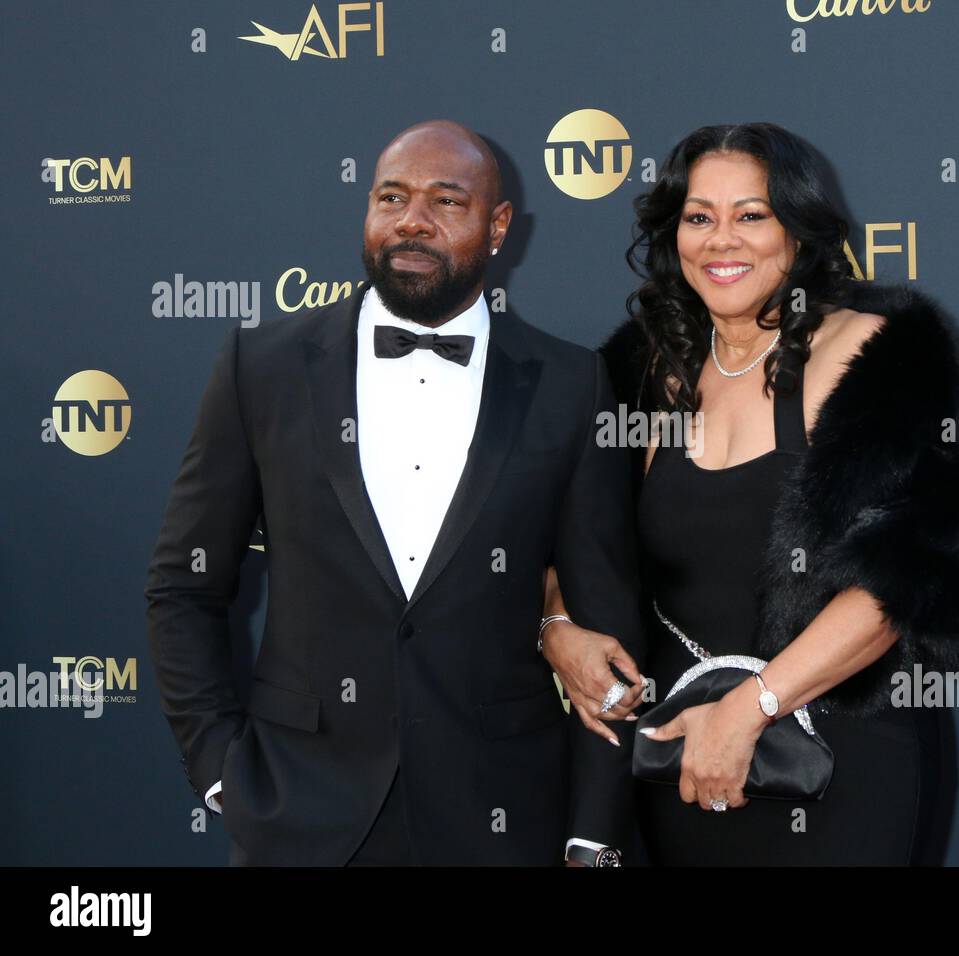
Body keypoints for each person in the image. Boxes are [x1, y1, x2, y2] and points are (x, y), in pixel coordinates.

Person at [145, 120, 644, 866]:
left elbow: (607, 620)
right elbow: (183, 588)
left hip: (503, 817)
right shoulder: (264, 365)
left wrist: (591, 832)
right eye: (392, 196)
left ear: (498, 226)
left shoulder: (572, 385)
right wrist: (220, 771)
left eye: (447, 200)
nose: (413, 219)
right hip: (300, 814)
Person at [540, 122, 959, 865]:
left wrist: (748, 711)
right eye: (700, 217)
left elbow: (893, 587)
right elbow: (572, 544)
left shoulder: (877, 355)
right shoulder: (634, 372)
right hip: (678, 756)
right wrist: (557, 626)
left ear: (798, 228)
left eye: (752, 215)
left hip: (839, 758)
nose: (724, 241)